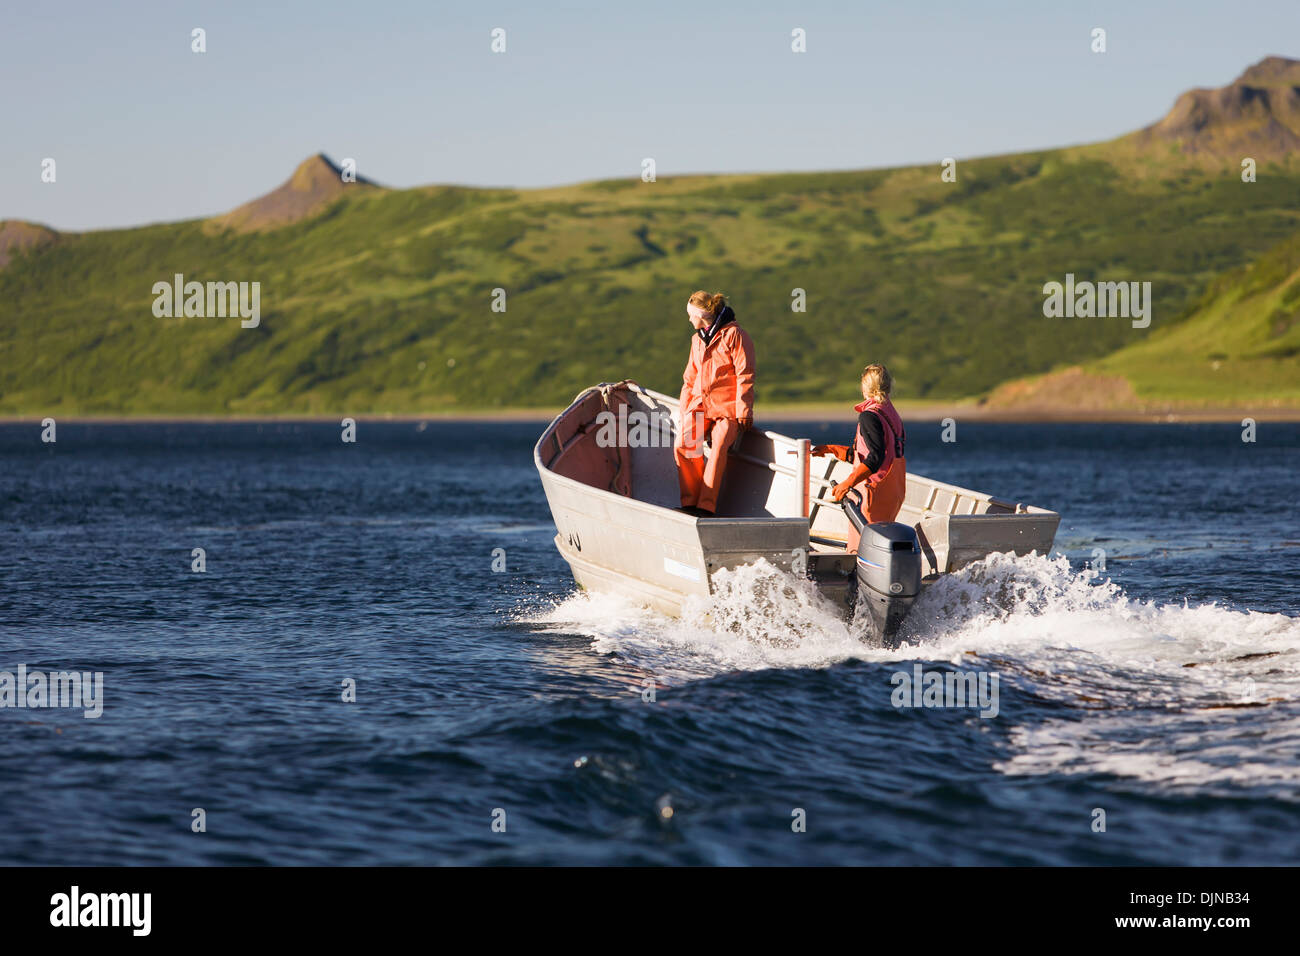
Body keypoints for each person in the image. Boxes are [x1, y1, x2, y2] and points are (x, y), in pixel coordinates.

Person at [674, 291, 756, 517]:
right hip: (700, 405)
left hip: (727, 409)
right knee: (683, 444)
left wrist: (744, 410)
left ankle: (706, 507)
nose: (689, 320)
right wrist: (685, 411)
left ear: (701, 315)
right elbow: (689, 379)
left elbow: (745, 373)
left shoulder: (735, 335)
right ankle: (690, 502)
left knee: (719, 446)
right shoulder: (696, 340)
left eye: (691, 315)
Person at [812, 364, 907, 553]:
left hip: (872, 493)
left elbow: (875, 457)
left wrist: (847, 483)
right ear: (888, 386)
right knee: (881, 547)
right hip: (894, 491)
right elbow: (878, 452)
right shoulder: (892, 414)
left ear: (865, 387)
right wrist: (832, 449)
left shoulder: (869, 416)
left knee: (864, 548)